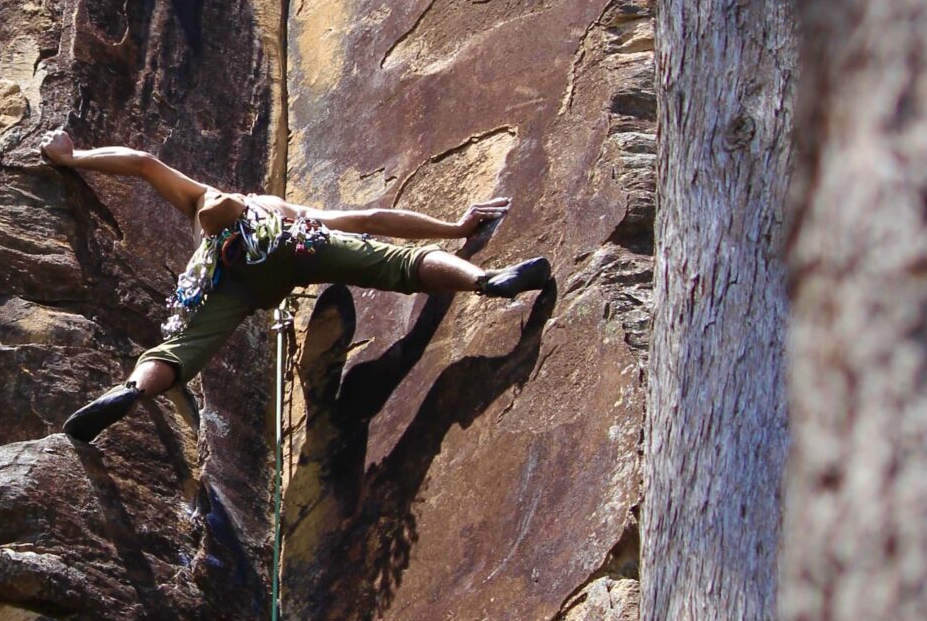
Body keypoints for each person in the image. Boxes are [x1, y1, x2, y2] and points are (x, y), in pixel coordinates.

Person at [42, 128, 553, 443]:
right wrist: (456, 229)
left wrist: (71, 157)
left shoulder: (201, 198)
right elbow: (376, 217)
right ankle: (486, 281)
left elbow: (141, 163)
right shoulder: (290, 209)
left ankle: (132, 389)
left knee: (180, 347)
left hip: (228, 274)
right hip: (291, 245)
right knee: (401, 263)